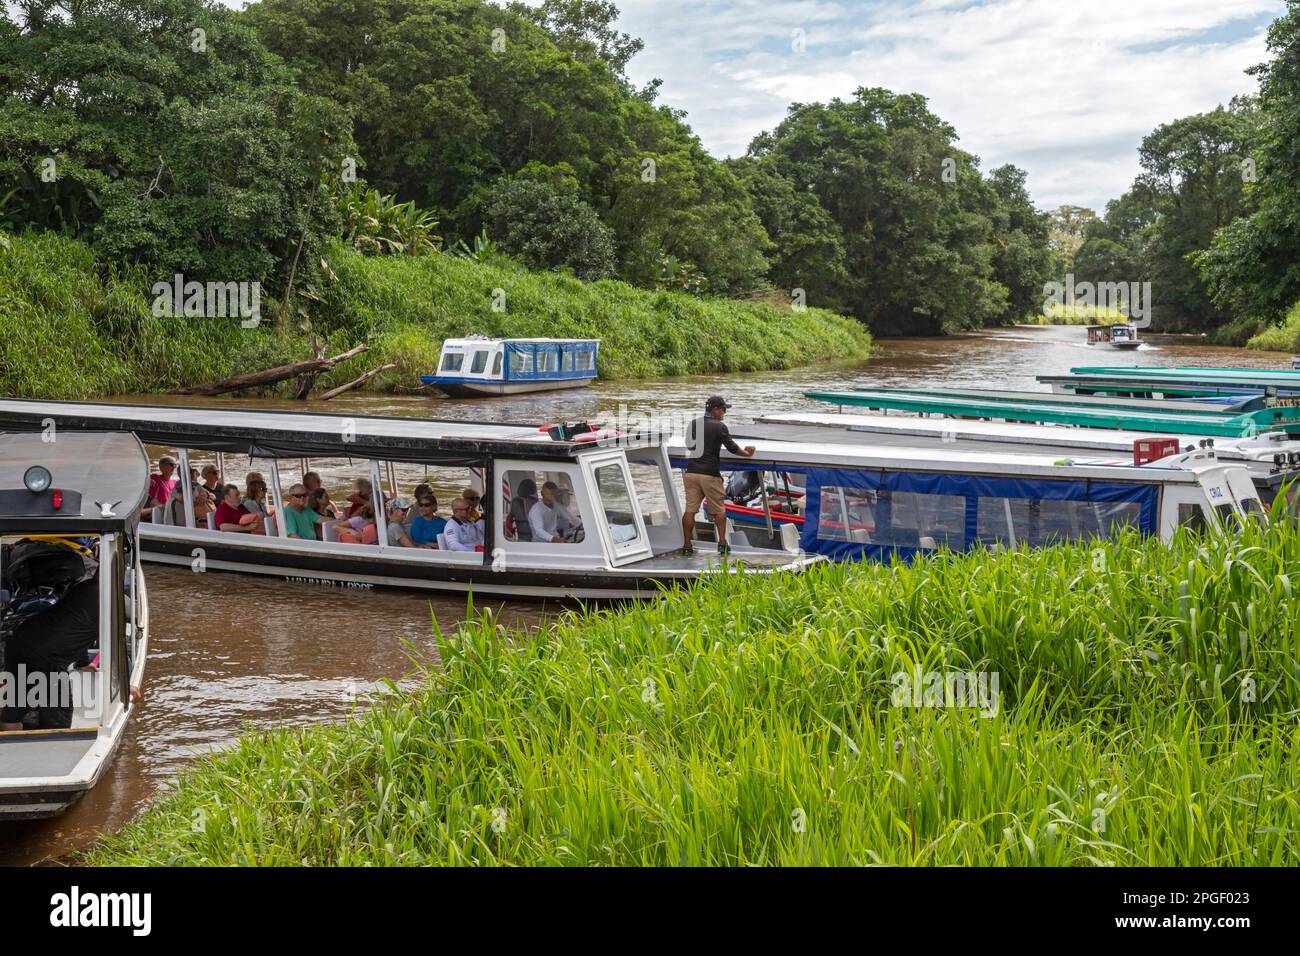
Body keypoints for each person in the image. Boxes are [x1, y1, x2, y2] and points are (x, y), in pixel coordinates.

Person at [1, 575, 101, 730]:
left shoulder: (83, 587)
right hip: (48, 656)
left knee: (16, 702)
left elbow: (73, 625)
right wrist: (125, 685)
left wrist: (83, 661)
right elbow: (113, 642)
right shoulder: (108, 599)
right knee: (59, 713)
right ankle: (53, 750)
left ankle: (7, 749)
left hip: (21, 639)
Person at [681, 395, 755, 556]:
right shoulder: (719, 426)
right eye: (723, 409)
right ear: (715, 409)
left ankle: (687, 546)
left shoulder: (693, 424)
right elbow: (731, 447)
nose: (724, 413)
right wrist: (747, 453)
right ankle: (722, 544)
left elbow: (689, 444)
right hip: (710, 474)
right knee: (718, 510)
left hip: (691, 472)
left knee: (690, 510)